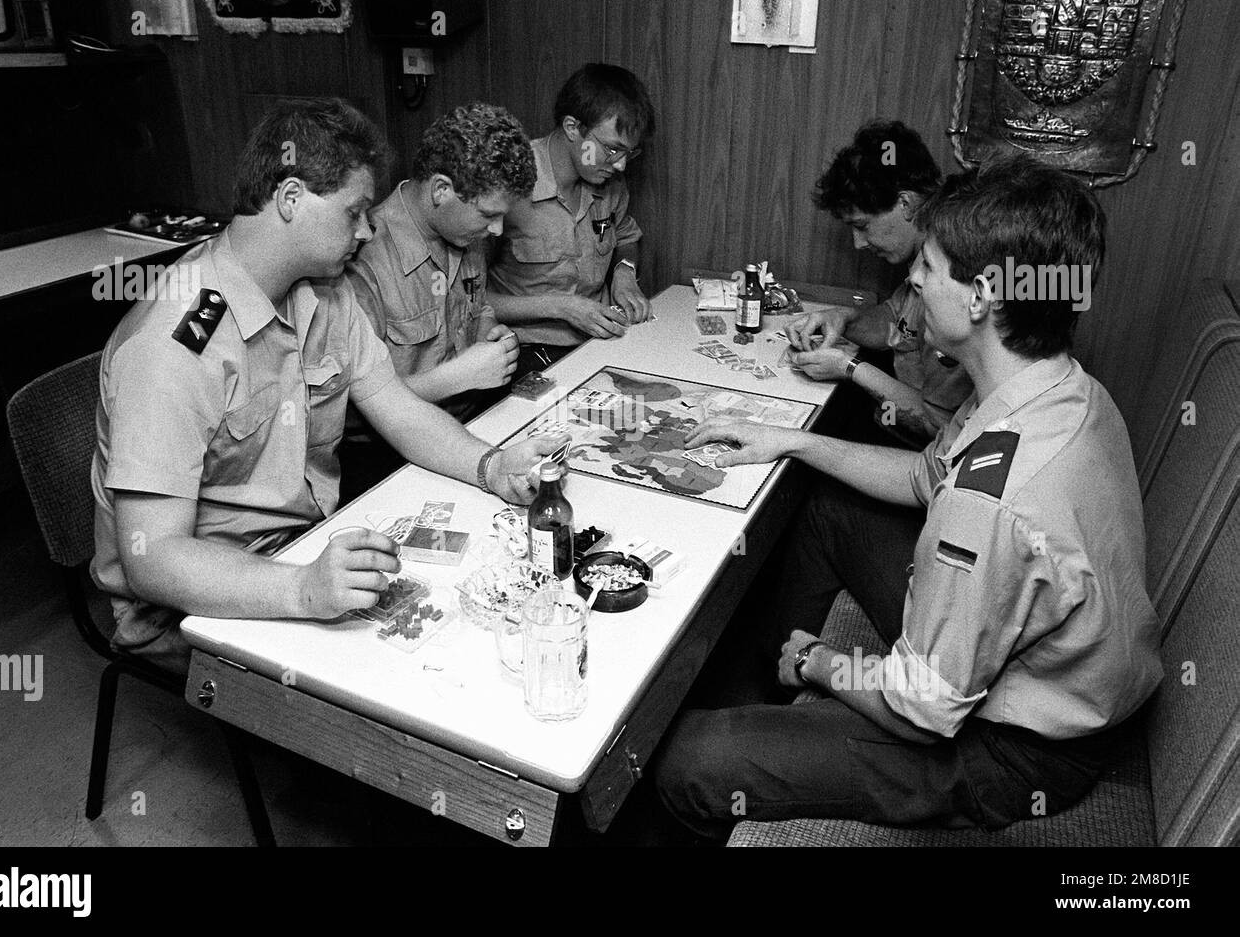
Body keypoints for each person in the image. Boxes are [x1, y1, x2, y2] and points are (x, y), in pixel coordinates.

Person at [654, 154, 1163, 840]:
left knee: (687, 760)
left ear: (981, 295)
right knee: (828, 510)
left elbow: (926, 707)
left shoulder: (992, 499)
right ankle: (767, 698)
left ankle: (777, 689)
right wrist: (793, 442)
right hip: (1031, 662)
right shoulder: (1056, 387)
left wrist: (823, 663)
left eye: (926, 266)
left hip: (1016, 750)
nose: (912, 281)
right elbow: (928, 475)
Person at [89, 99, 565, 675]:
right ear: (291, 199)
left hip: (303, 545)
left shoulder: (324, 292)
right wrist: (302, 591)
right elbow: (154, 560)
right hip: (194, 598)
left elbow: (395, 406)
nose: (367, 230)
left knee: (487, 621)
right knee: (424, 680)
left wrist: (490, 466)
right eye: (355, 212)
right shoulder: (173, 344)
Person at [786, 121, 972, 446]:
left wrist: (850, 367)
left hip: (919, 455)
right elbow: (896, 322)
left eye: (862, 225)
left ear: (905, 203)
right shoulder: (927, 256)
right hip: (889, 428)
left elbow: (942, 427)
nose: (858, 244)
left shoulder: (952, 280)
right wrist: (844, 319)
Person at [348, 102, 535, 419]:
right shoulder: (365, 259)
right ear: (441, 190)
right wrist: (456, 378)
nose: (496, 229)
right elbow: (352, 404)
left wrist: (490, 336)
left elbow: (477, 307)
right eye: (489, 214)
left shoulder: (466, 234)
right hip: (391, 449)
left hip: (473, 417)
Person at [488, 63, 656, 377]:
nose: (620, 166)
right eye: (612, 149)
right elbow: (467, 299)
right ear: (571, 128)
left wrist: (625, 271)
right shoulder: (507, 182)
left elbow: (627, 236)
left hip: (599, 343)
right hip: (523, 351)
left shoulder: (610, 183)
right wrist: (560, 307)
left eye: (628, 154)